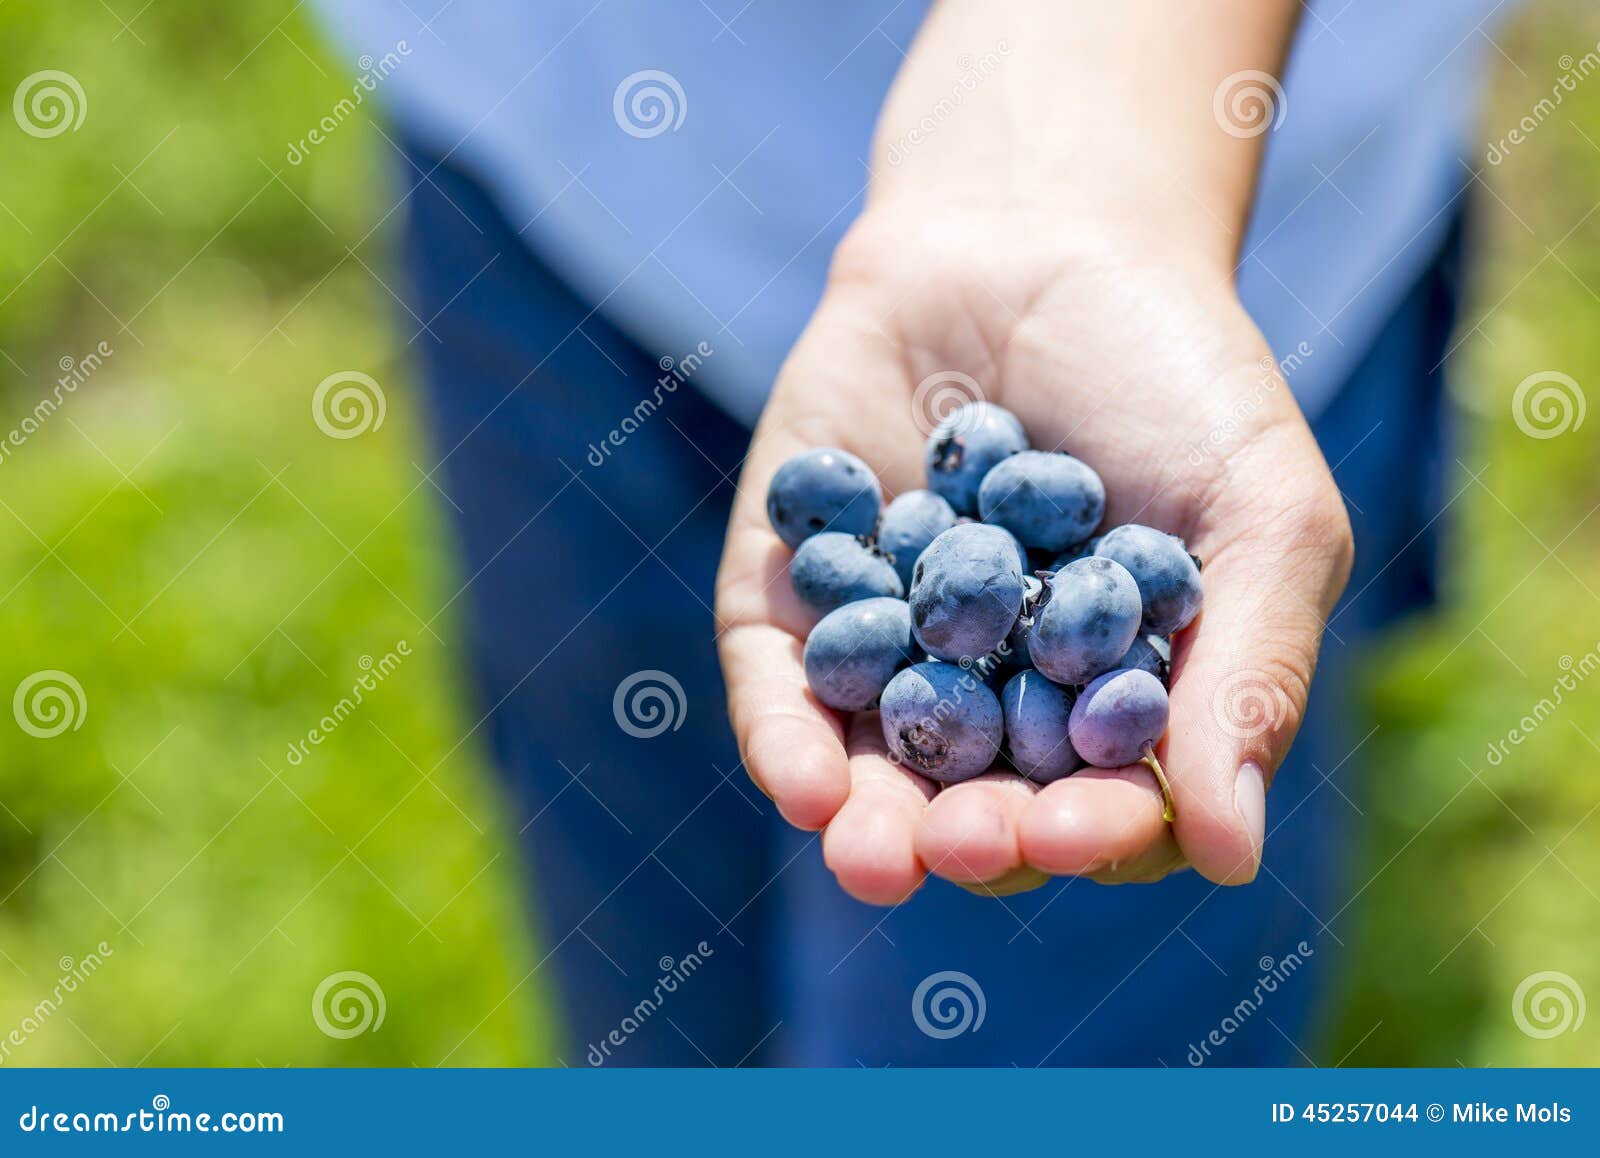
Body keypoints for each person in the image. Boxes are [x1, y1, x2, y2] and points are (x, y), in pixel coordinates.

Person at [315, 0, 1496, 1064]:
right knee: (642, 960)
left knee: (1045, 1050)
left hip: (1206, 237)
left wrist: (1072, 181)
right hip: (551, 158)